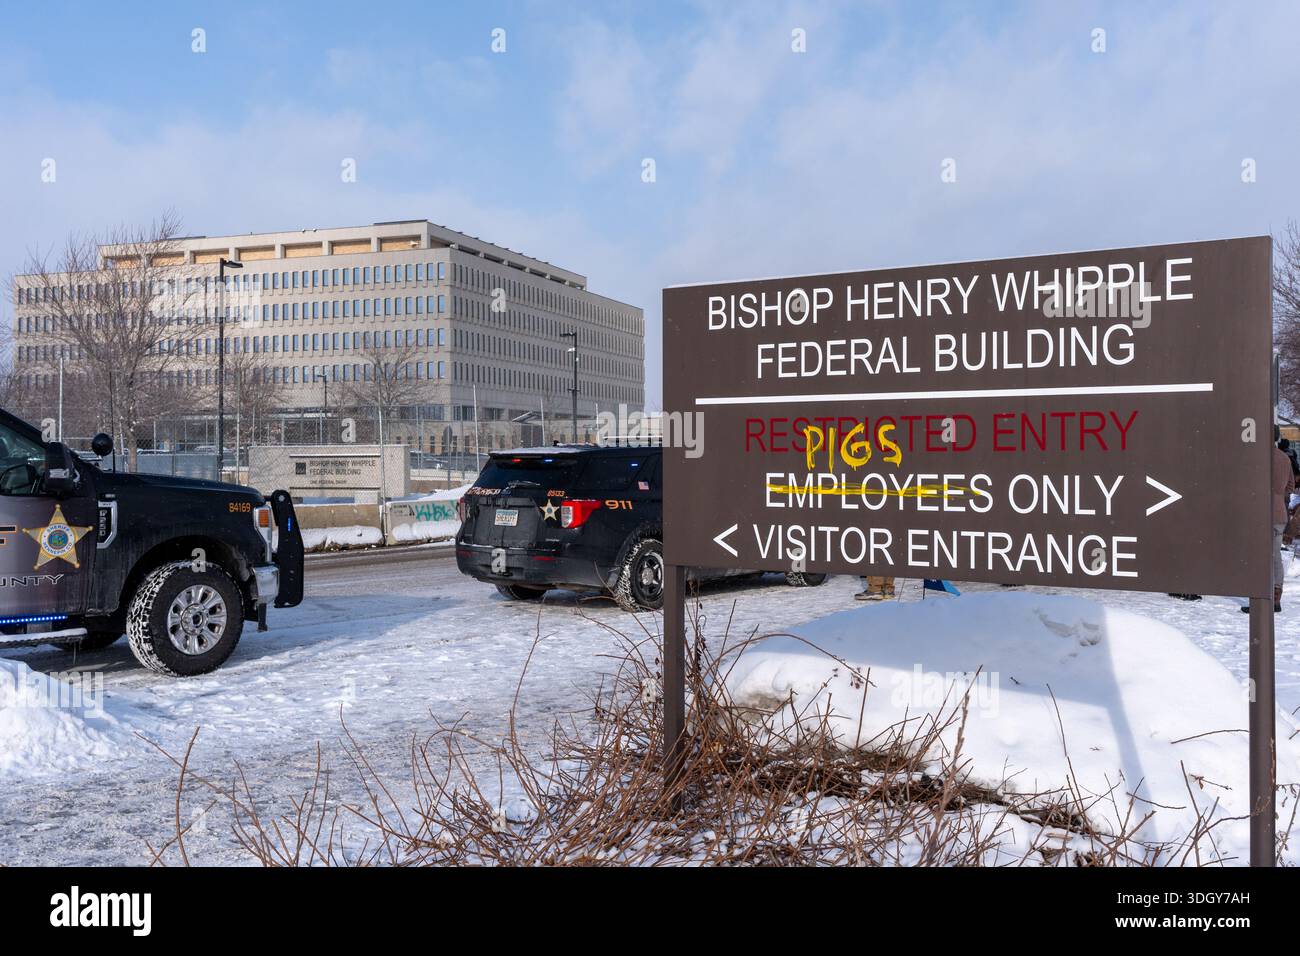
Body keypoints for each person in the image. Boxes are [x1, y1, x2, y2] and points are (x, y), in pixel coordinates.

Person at [1242, 432, 1295, 614]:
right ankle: (1276, 598)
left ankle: (1258, 599)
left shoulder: (1257, 456)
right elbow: (1291, 486)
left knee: (1257, 557)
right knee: (1275, 557)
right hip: (1279, 513)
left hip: (1260, 513)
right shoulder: (1284, 458)